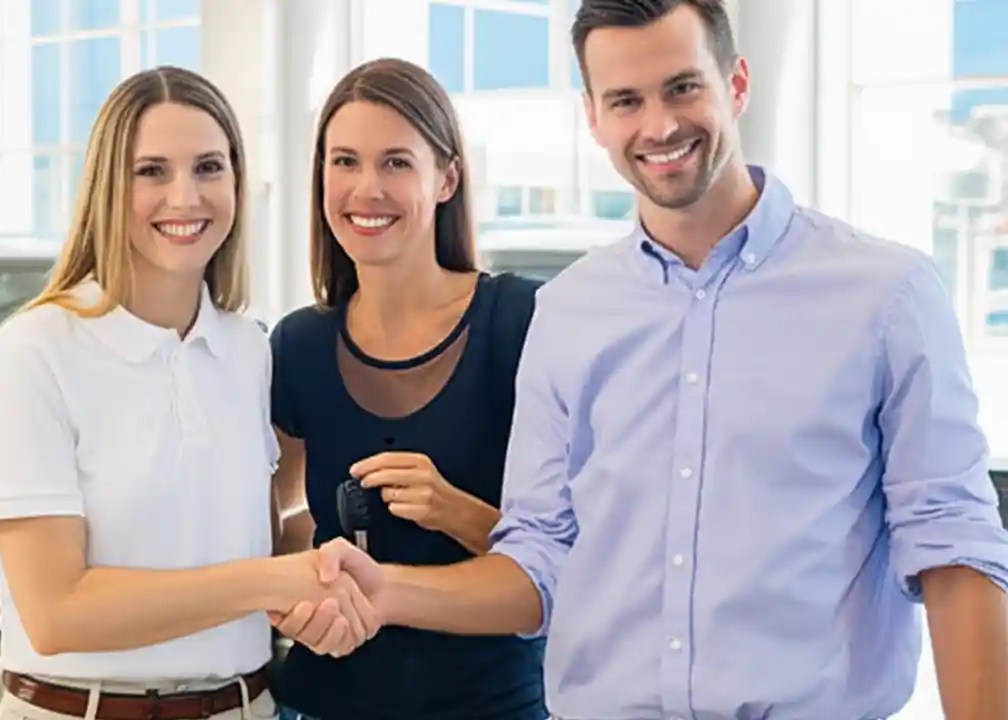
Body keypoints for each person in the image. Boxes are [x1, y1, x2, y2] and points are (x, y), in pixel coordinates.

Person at [275, 2, 1008, 719]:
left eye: (682, 88)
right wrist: (383, 590)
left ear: (737, 83)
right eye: (626, 100)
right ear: (593, 116)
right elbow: (538, 556)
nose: (658, 126)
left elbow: (953, 540)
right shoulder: (569, 312)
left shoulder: (885, 294)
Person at [0, 66, 379, 720]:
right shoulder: (33, 352)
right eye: (152, 171)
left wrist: (333, 570)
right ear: (107, 186)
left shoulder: (248, 350)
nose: (185, 197)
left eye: (209, 168)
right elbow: (55, 613)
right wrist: (271, 581)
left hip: (244, 706)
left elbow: (252, 540)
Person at [265, 58, 548, 720]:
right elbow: (270, 529)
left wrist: (454, 510)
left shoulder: (523, 323)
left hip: (493, 707)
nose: (367, 188)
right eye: (345, 161)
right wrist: (307, 577)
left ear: (447, 177)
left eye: (396, 162)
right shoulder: (299, 345)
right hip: (322, 704)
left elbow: (576, 561)